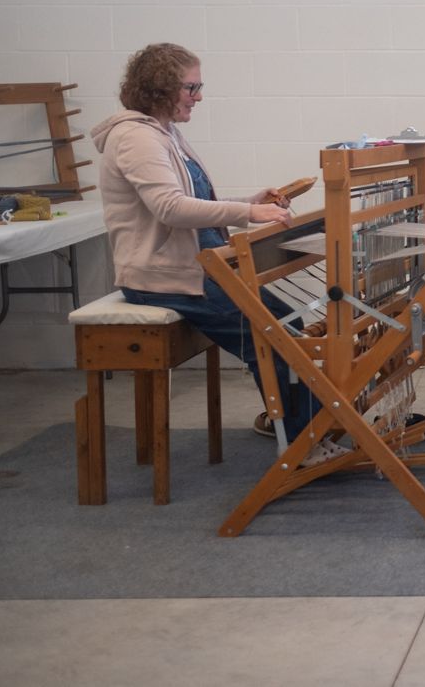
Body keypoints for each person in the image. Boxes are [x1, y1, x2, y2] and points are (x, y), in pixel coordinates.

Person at [91, 43, 341, 465]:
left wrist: (249, 200)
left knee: (291, 325)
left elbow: (192, 200)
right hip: (165, 279)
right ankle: (303, 445)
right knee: (278, 338)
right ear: (160, 88)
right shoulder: (136, 138)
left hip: (202, 268)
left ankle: (301, 424)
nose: (199, 96)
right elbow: (169, 208)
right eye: (192, 87)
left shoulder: (165, 132)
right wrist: (248, 212)